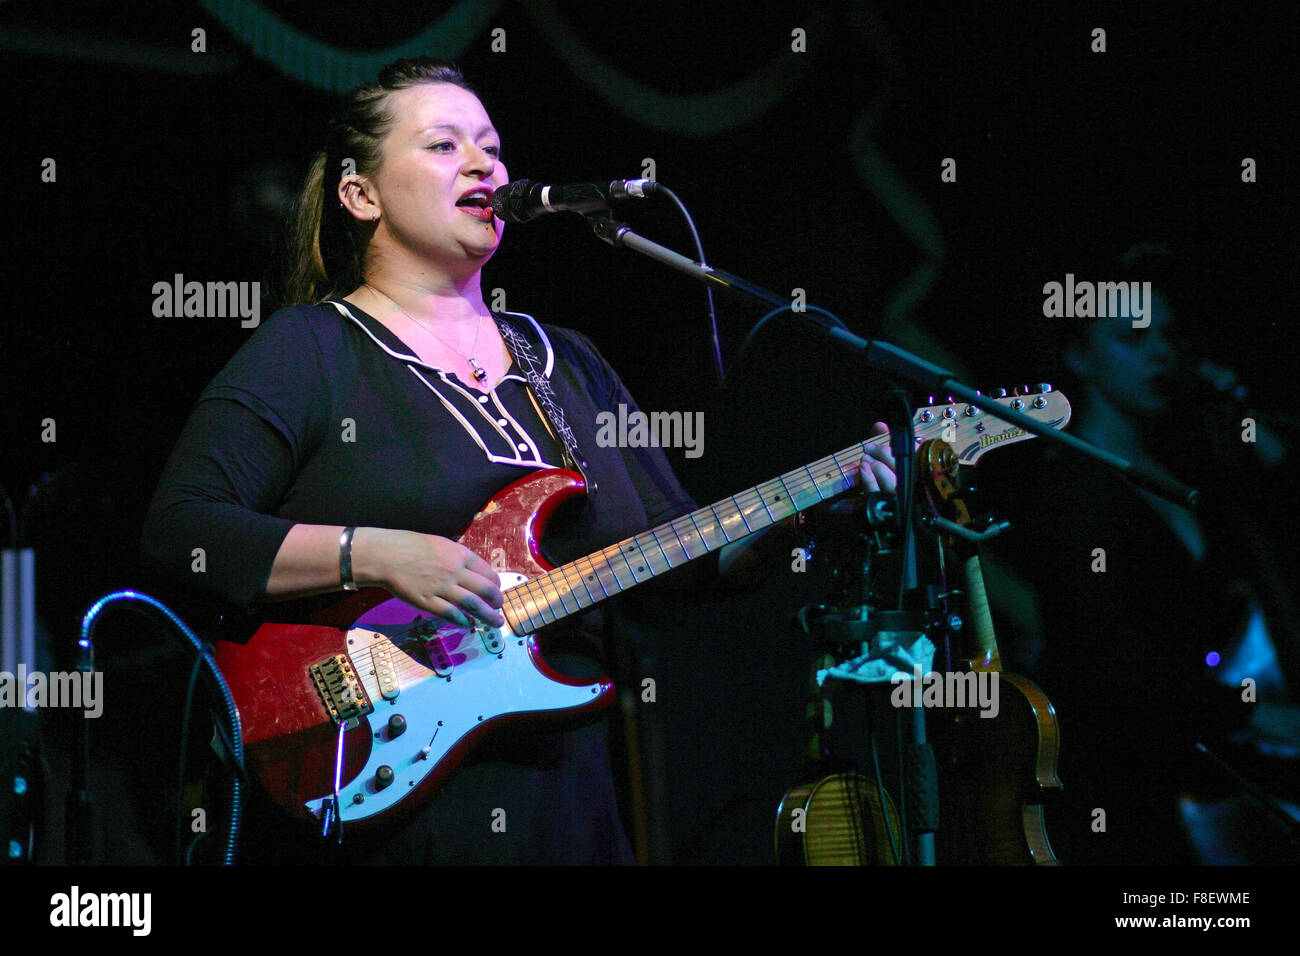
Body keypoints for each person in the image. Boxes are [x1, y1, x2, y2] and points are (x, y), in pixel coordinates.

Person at [141, 57, 899, 864]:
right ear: (360, 195)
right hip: (384, 785)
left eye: (491, 147)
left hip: (567, 794)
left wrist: (799, 510)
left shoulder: (564, 362)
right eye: (443, 145)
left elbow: (674, 556)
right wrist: (376, 553)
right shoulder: (310, 349)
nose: (484, 165)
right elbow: (184, 530)